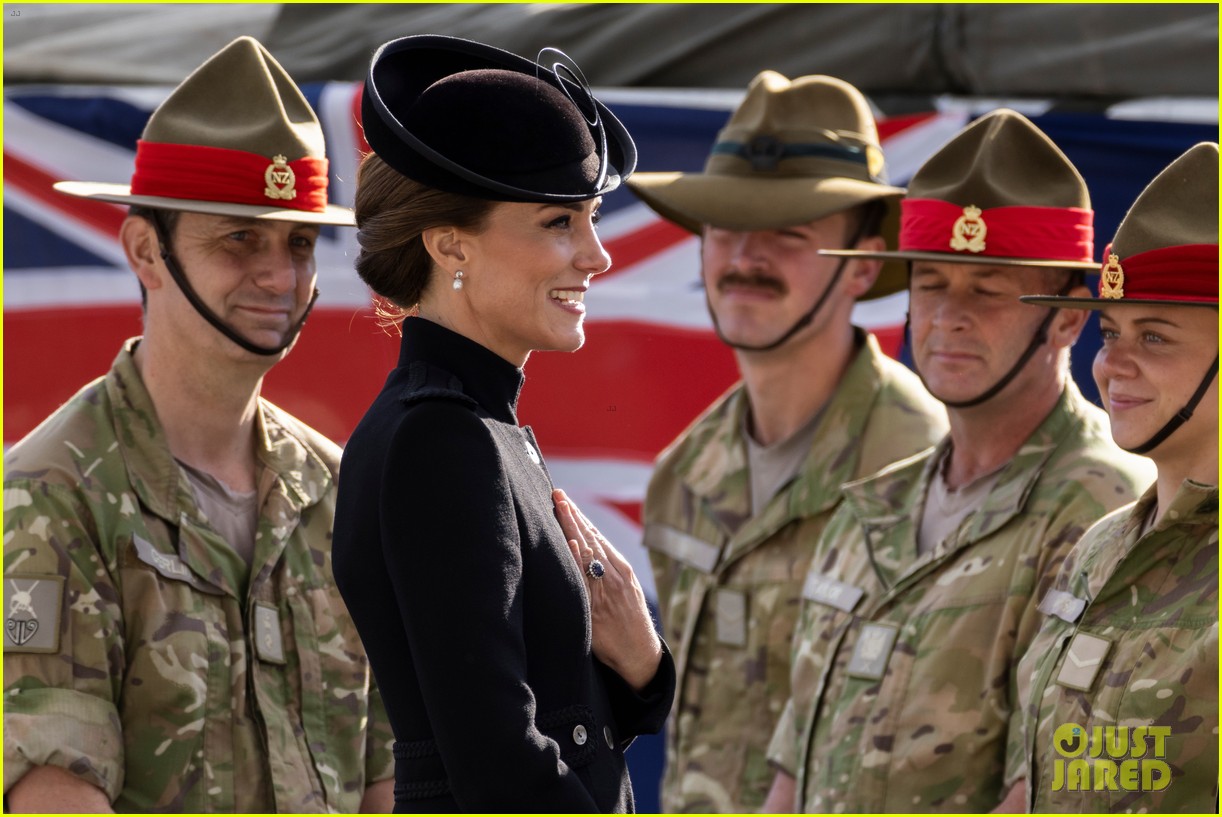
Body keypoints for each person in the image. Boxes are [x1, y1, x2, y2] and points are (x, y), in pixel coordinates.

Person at [2, 37, 394, 812]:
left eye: (300, 242)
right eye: (240, 237)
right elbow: (54, 790)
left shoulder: (341, 491)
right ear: (147, 250)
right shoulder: (52, 495)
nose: (280, 275)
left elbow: (385, 772)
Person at [762, 109, 1157, 812]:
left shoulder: (1105, 507)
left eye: (989, 288)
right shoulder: (870, 507)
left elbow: (1040, 790)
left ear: (1069, 315)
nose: (949, 315)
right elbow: (795, 771)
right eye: (931, 282)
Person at [330, 35, 675, 812]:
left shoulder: (474, 423)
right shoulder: (442, 439)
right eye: (559, 221)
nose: (597, 255)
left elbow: (548, 722)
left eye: (590, 217)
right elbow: (496, 769)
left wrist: (644, 668)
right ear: (451, 243)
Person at [625, 71, 948, 811]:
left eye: (787, 234)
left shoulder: (924, 470)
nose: (746, 258)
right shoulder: (685, 472)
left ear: (864, 264)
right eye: (727, 229)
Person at [998, 142, 1218, 813]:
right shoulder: (1100, 546)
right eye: (1110, 331)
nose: (1110, 364)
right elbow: (1028, 785)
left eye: (1153, 337)